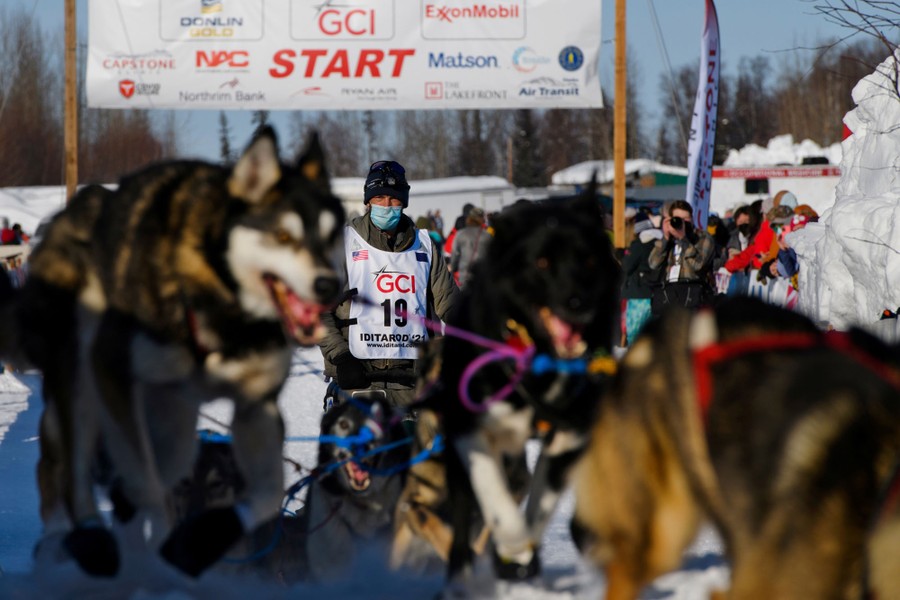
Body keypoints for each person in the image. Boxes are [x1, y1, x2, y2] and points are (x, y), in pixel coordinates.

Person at [318, 160, 458, 410]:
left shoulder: (424, 247)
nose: (386, 205)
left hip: (412, 379)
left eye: (394, 199)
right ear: (368, 201)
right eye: (379, 197)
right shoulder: (342, 244)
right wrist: (341, 357)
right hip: (357, 376)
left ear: (403, 202)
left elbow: (452, 306)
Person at [647, 200, 716, 316]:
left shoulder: (703, 238)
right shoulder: (669, 239)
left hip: (693, 295)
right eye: (678, 219)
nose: (683, 223)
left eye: (686, 219)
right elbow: (653, 263)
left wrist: (684, 240)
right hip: (669, 295)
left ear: (692, 219)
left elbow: (698, 266)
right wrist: (665, 238)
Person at [621, 211, 662, 345]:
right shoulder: (659, 241)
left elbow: (627, 267)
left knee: (635, 332)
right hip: (655, 293)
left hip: (638, 293)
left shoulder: (640, 244)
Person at [449, 206, 490, 288]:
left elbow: (455, 254)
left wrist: (453, 267)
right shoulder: (488, 234)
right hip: (484, 276)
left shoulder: (461, 234)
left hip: (465, 275)